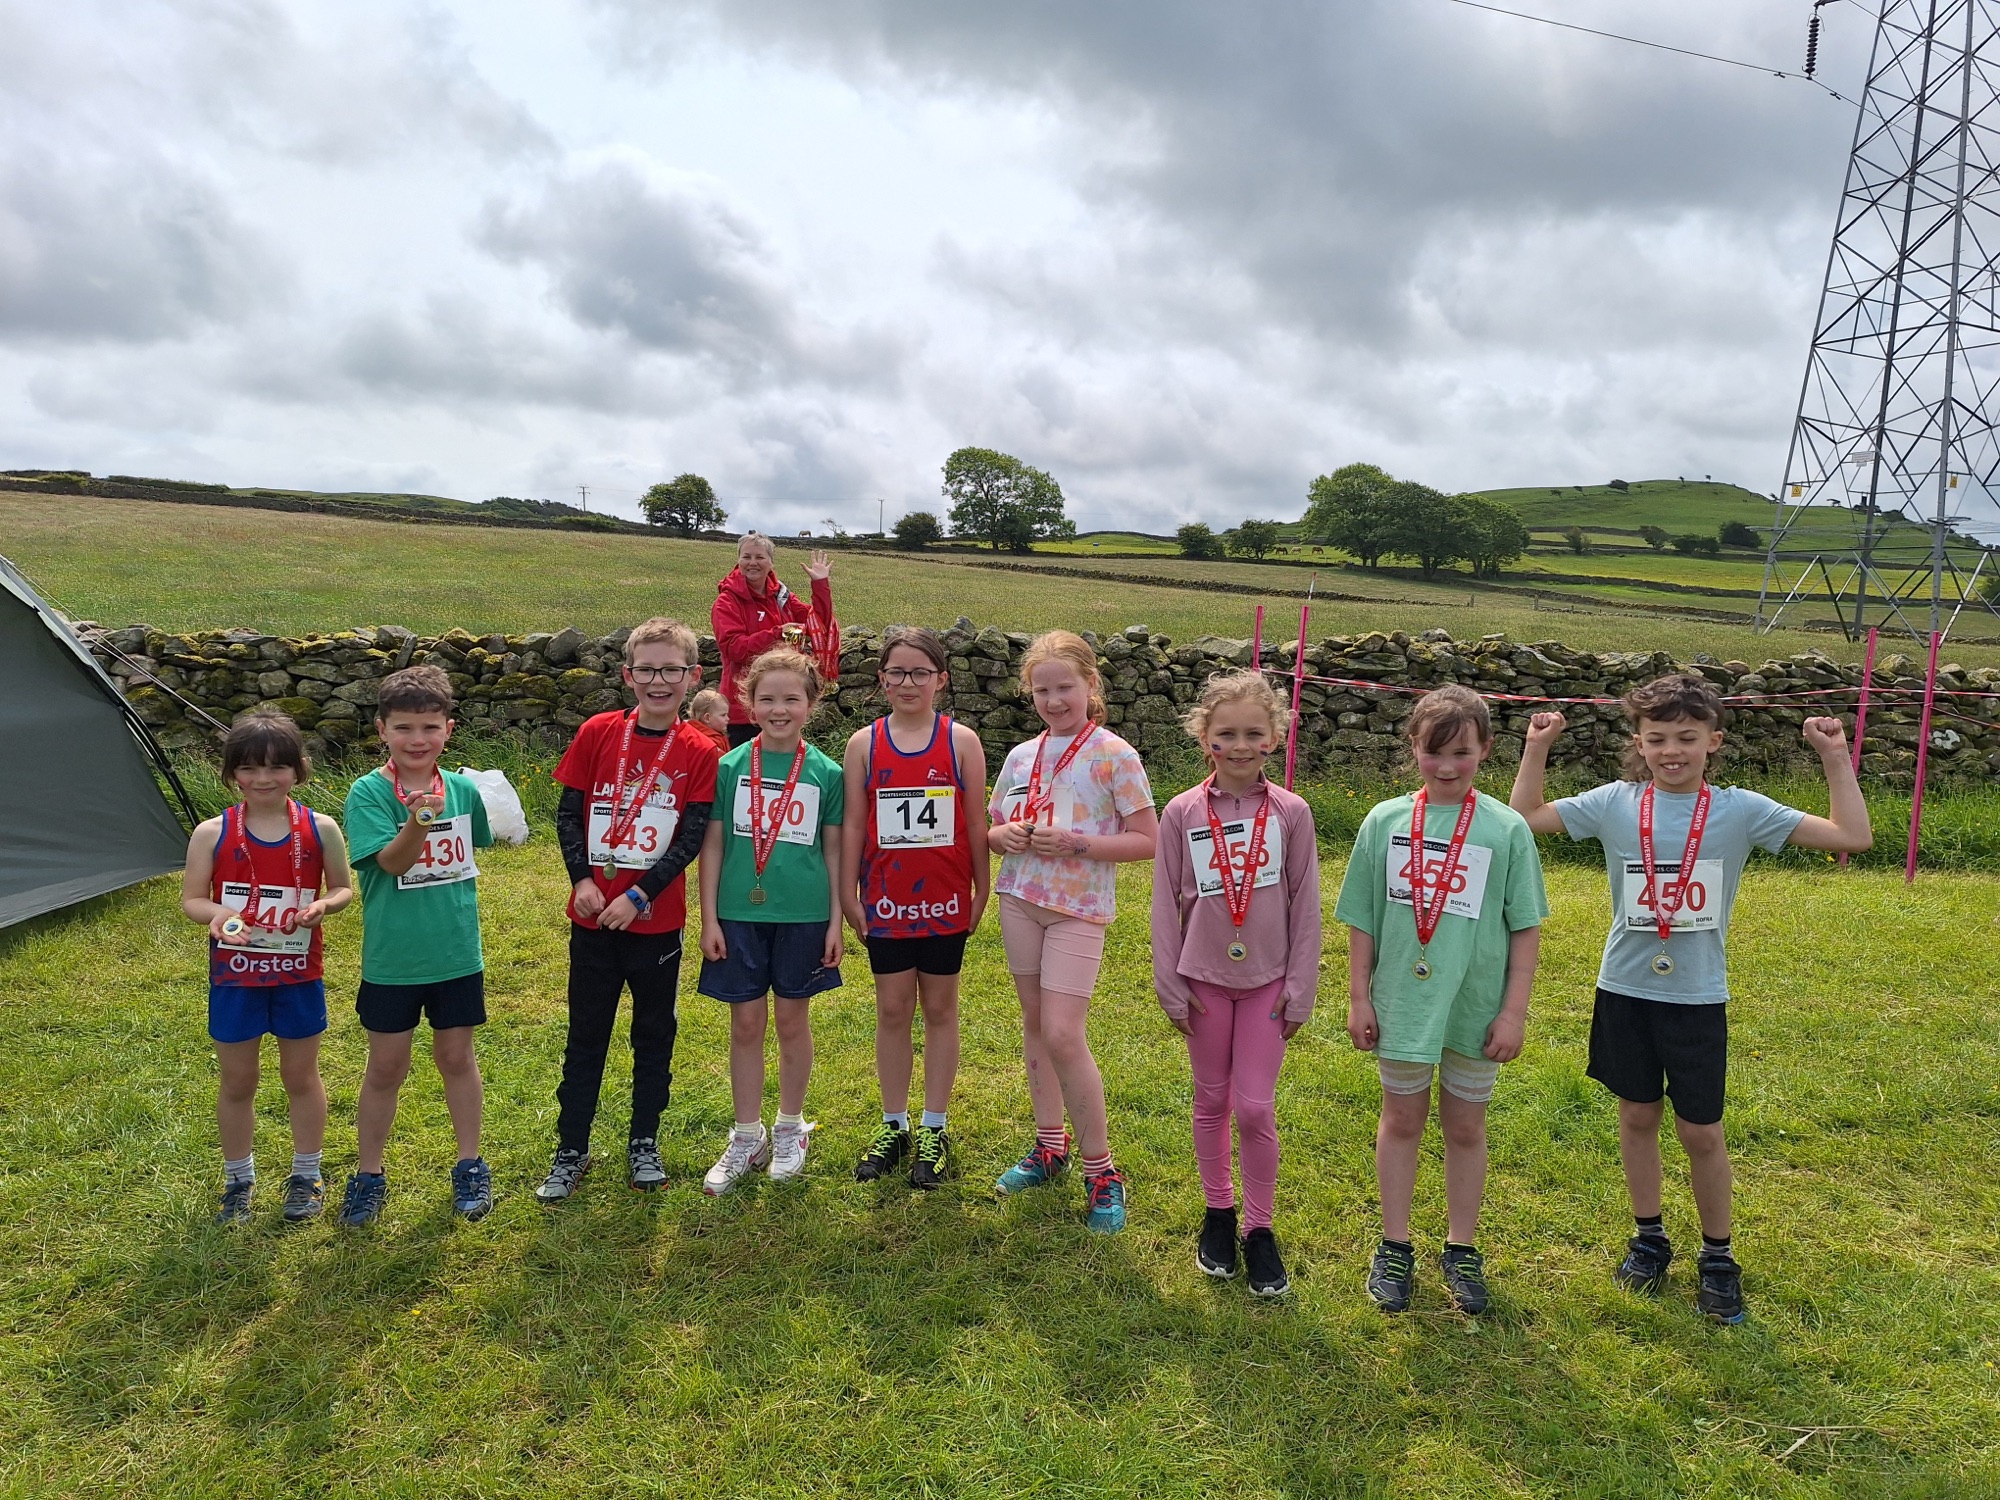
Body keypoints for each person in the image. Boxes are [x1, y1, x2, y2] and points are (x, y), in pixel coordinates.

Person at [1509, 674, 1871, 1324]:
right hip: (1625, 989)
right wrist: (1539, 746)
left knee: (1701, 1131)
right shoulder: (1617, 802)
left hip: (1698, 996)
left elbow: (1852, 836)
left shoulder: (1739, 810)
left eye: (1686, 738)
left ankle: (1718, 1257)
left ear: (1714, 741)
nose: (1671, 750)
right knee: (1637, 1117)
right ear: (1639, 744)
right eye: (1658, 739)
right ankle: (1648, 1240)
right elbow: (1528, 817)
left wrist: (1834, 756)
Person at [1335, 685, 1548, 1316]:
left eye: (1462, 752)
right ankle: (1394, 1244)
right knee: (1401, 1121)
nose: (1448, 766)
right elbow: (1363, 919)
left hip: (1475, 1004)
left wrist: (1512, 1012)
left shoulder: (1506, 829)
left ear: (1485, 749)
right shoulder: (1384, 821)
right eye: (1434, 753)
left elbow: (1526, 927)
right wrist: (1358, 997)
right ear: (1414, 750)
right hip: (1401, 999)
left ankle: (1461, 1248)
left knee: (1464, 1126)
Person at [537, 618, 720, 1201]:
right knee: (586, 1033)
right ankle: (572, 1147)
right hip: (591, 916)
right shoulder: (596, 732)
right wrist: (584, 881)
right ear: (628, 674)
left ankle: (645, 1139)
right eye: (648, 669)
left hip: (654, 922)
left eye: (671, 669)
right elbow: (569, 814)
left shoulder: (698, 749)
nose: (659, 680)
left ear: (692, 677)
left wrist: (640, 895)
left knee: (653, 1033)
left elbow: (689, 837)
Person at [1152, 670, 1319, 1295]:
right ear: (1205, 738)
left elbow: (1306, 904)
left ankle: (1259, 1227)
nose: (1240, 744)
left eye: (1254, 732)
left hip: (1268, 985)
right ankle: (1218, 1210)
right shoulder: (1181, 812)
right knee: (1211, 1100)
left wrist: (1300, 984)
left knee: (1254, 1105)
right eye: (1227, 733)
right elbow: (1164, 902)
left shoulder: (1292, 813)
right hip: (1202, 983)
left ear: (1274, 737)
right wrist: (1170, 982)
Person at [987, 629, 1158, 1233]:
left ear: (1091, 685)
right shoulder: (1020, 756)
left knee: (1063, 1033)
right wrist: (1000, 838)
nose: (1055, 700)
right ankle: (1048, 1146)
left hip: (1078, 909)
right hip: (1019, 898)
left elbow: (1147, 840)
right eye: (1042, 690)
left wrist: (1080, 843)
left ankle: (1102, 1171)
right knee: (1035, 1027)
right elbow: (995, 827)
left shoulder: (1116, 754)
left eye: (1066, 687)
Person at [338, 664, 497, 1226]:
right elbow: (391, 862)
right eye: (404, 728)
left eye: (429, 728)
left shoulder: (462, 789)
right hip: (394, 960)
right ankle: (369, 1173)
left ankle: (471, 1163)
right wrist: (420, 821)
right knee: (386, 1065)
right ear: (382, 729)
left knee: (457, 1057)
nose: (417, 740)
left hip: (455, 952)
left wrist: (442, 816)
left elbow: (477, 843)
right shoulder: (367, 794)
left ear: (448, 730)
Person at [180, 712, 353, 1225]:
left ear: (299, 769)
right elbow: (192, 899)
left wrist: (325, 905)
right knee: (238, 1081)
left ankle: (306, 1175)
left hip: (299, 974)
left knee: (301, 1075)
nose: (263, 778)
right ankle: (238, 1181)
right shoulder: (212, 833)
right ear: (232, 772)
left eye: (277, 767)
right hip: (236, 977)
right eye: (251, 767)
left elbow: (344, 888)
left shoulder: (321, 828)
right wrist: (219, 916)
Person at [839, 626, 990, 1189]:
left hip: (946, 897)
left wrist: (981, 887)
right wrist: (848, 893)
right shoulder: (863, 744)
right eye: (897, 672)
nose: (908, 682)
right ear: (881, 680)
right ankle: (894, 1122)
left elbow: (977, 822)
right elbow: (855, 823)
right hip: (886, 899)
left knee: (941, 1009)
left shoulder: (962, 741)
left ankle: (934, 1124)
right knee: (893, 1009)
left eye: (920, 673)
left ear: (940, 680)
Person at [696, 647, 845, 1192]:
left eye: (791, 699)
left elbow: (834, 853)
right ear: (748, 703)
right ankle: (745, 1133)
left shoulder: (827, 772)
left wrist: (836, 921)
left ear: (811, 704)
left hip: (804, 916)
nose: (779, 709)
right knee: (745, 1023)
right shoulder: (729, 766)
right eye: (767, 699)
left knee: (790, 1021)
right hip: (737, 914)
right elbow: (712, 847)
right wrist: (708, 916)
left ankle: (789, 1127)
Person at [711, 533, 834, 748]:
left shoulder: (781, 596)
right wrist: (778, 634)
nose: (752, 563)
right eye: (746, 557)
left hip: (782, 705)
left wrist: (820, 584)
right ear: (738, 560)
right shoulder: (726, 601)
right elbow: (734, 648)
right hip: (743, 712)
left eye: (759, 557)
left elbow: (819, 625)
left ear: (771, 562)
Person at [687, 688, 733, 756]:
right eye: (723, 715)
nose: (728, 718)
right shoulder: (709, 742)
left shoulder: (690, 733)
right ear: (707, 718)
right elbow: (723, 764)